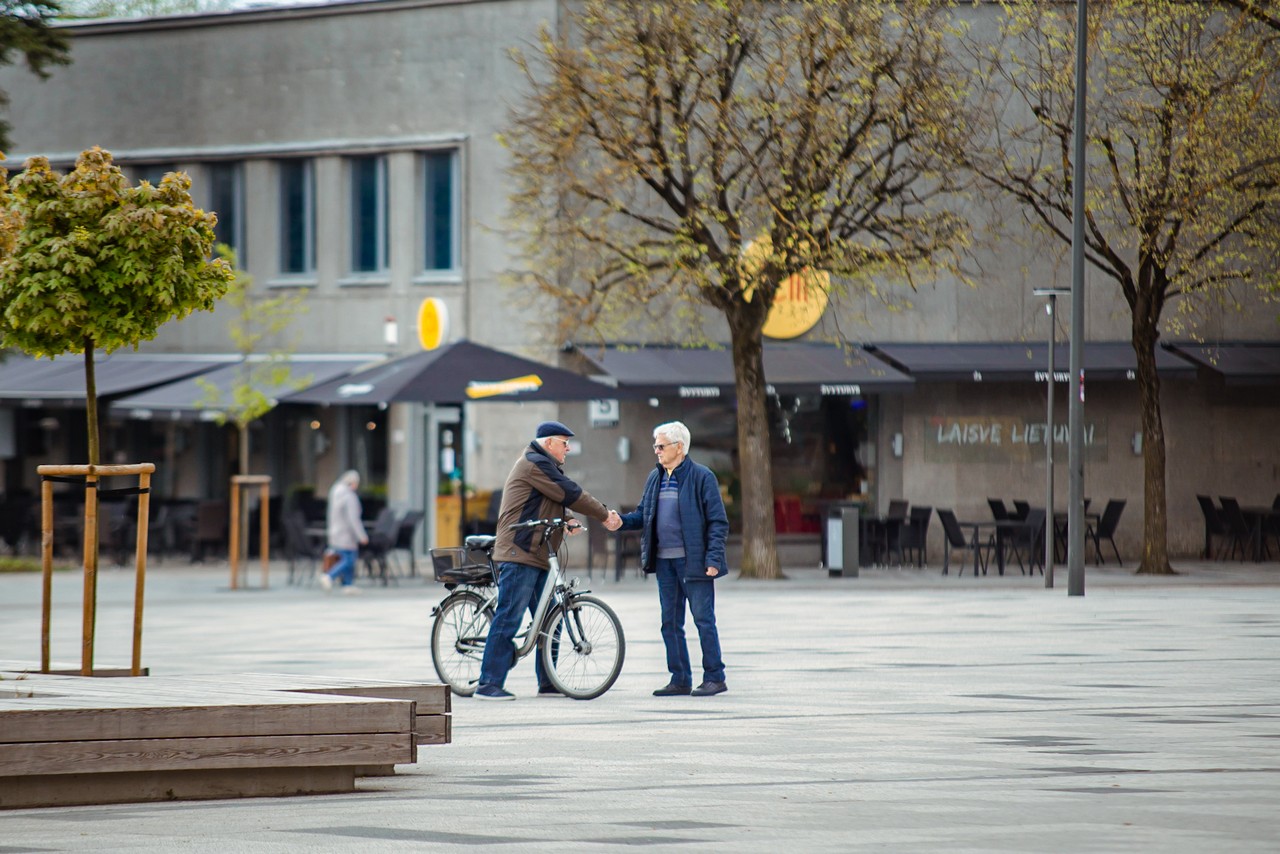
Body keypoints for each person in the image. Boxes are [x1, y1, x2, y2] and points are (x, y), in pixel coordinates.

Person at [475, 421, 620, 700]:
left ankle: (548, 681)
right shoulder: (533, 463)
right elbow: (569, 492)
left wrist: (567, 519)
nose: (568, 448)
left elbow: (547, 501)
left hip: (538, 551)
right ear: (549, 442)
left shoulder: (543, 465)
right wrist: (604, 514)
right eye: (564, 443)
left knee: (548, 618)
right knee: (509, 617)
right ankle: (488, 683)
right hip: (520, 551)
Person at [618, 421, 729, 697]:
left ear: (679, 448)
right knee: (670, 623)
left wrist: (713, 558)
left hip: (695, 562)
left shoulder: (703, 477)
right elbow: (643, 515)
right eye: (655, 445)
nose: (656, 450)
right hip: (665, 563)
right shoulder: (655, 477)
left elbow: (718, 522)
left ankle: (715, 677)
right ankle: (680, 678)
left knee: (703, 620)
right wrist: (618, 521)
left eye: (661, 445)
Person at [318, 470, 368, 594]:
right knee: (349, 559)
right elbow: (354, 519)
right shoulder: (349, 496)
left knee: (345, 557)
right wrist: (361, 535)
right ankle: (330, 576)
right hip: (347, 534)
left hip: (335, 532)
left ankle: (348, 584)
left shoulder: (335, 492)